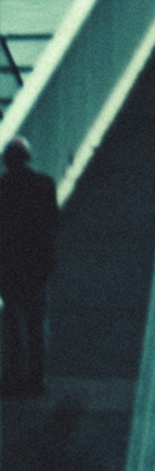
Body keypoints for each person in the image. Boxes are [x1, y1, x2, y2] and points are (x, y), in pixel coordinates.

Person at [0, 138, 56, 398]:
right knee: (36, 321)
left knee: (13, 322)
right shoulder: (45, 185)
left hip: (9, 264)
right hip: (36, 263)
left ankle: (13, 375)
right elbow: (52, 222)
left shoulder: (2, 188)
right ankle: (37, 377)